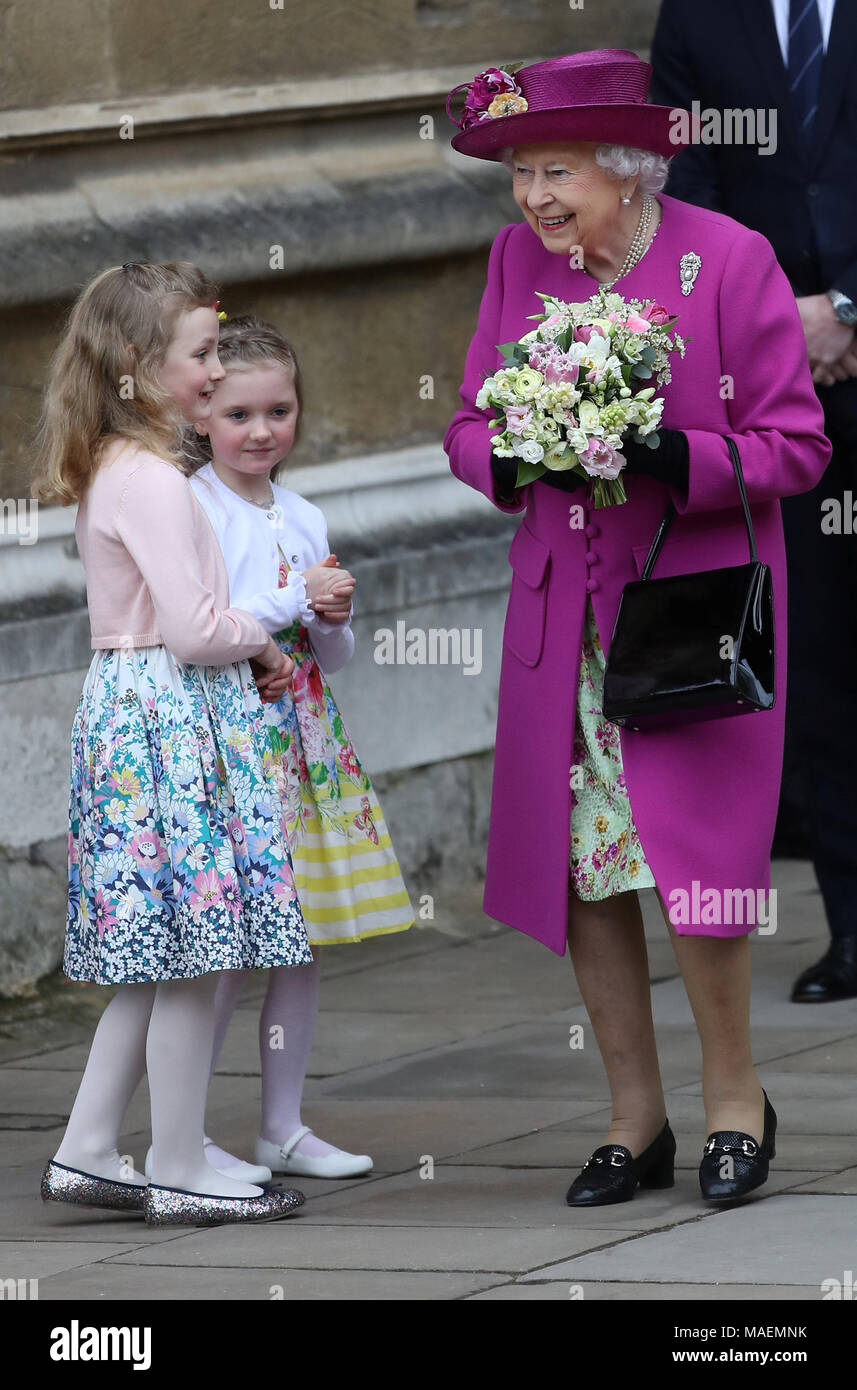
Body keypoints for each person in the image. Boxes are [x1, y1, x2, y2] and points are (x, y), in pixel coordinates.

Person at [443, 50, 831, 1205]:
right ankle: (632, 1119)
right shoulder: (517, 261)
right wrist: (510, 449)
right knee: (584, 872)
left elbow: (796, 447)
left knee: (700, 871)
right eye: (518, 173)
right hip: (561, 626)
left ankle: (732, 1103)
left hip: (686, 617)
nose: (533, 200)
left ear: (624, 168)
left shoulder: (729, 257)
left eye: (554, 170)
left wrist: (675, 455)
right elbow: (465, 420)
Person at [31, 262, 310, 1227]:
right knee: (197, 953)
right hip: (170, 713)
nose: (213, 368)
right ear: (137, 368)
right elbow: (194, 631)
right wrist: (265, 635)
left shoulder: (126, 465)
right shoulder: (149, 477)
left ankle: (89, 1148)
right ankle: (180, 1164)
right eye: (199, 353)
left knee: (166, 956)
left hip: (146, 708)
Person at [649, 0, 857, 1003]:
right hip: (772, 388)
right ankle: (851, 929)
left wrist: (848, 307)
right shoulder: (697, 12)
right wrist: (778, 324)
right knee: (813, 657)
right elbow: (681, 187)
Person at [184, 314, 415, 1181]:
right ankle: (186, 1130)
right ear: (202, 415)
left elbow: (332, 659)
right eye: (240, 414)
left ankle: (281, 1124)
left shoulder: (306, 514)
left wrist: (335, 618)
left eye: (279, 411)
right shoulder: (195, 508)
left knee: (298, 941)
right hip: (231, 740)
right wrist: (295, 596)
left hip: (304, 741)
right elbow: (217, 622)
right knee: (228, 951)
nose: (261, 431)